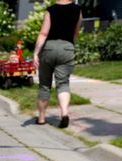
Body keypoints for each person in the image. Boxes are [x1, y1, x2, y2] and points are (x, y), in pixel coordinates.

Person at [32, 0, 82, 128]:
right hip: (67, 48)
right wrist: (69, 46)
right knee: (63, 83)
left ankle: (41, 118)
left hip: (49, 48)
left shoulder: (51, 10)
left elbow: (43, 33)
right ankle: (64, 113)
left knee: (44, 84)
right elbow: (75, 33)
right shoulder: (78, 10)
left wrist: (36, 53)